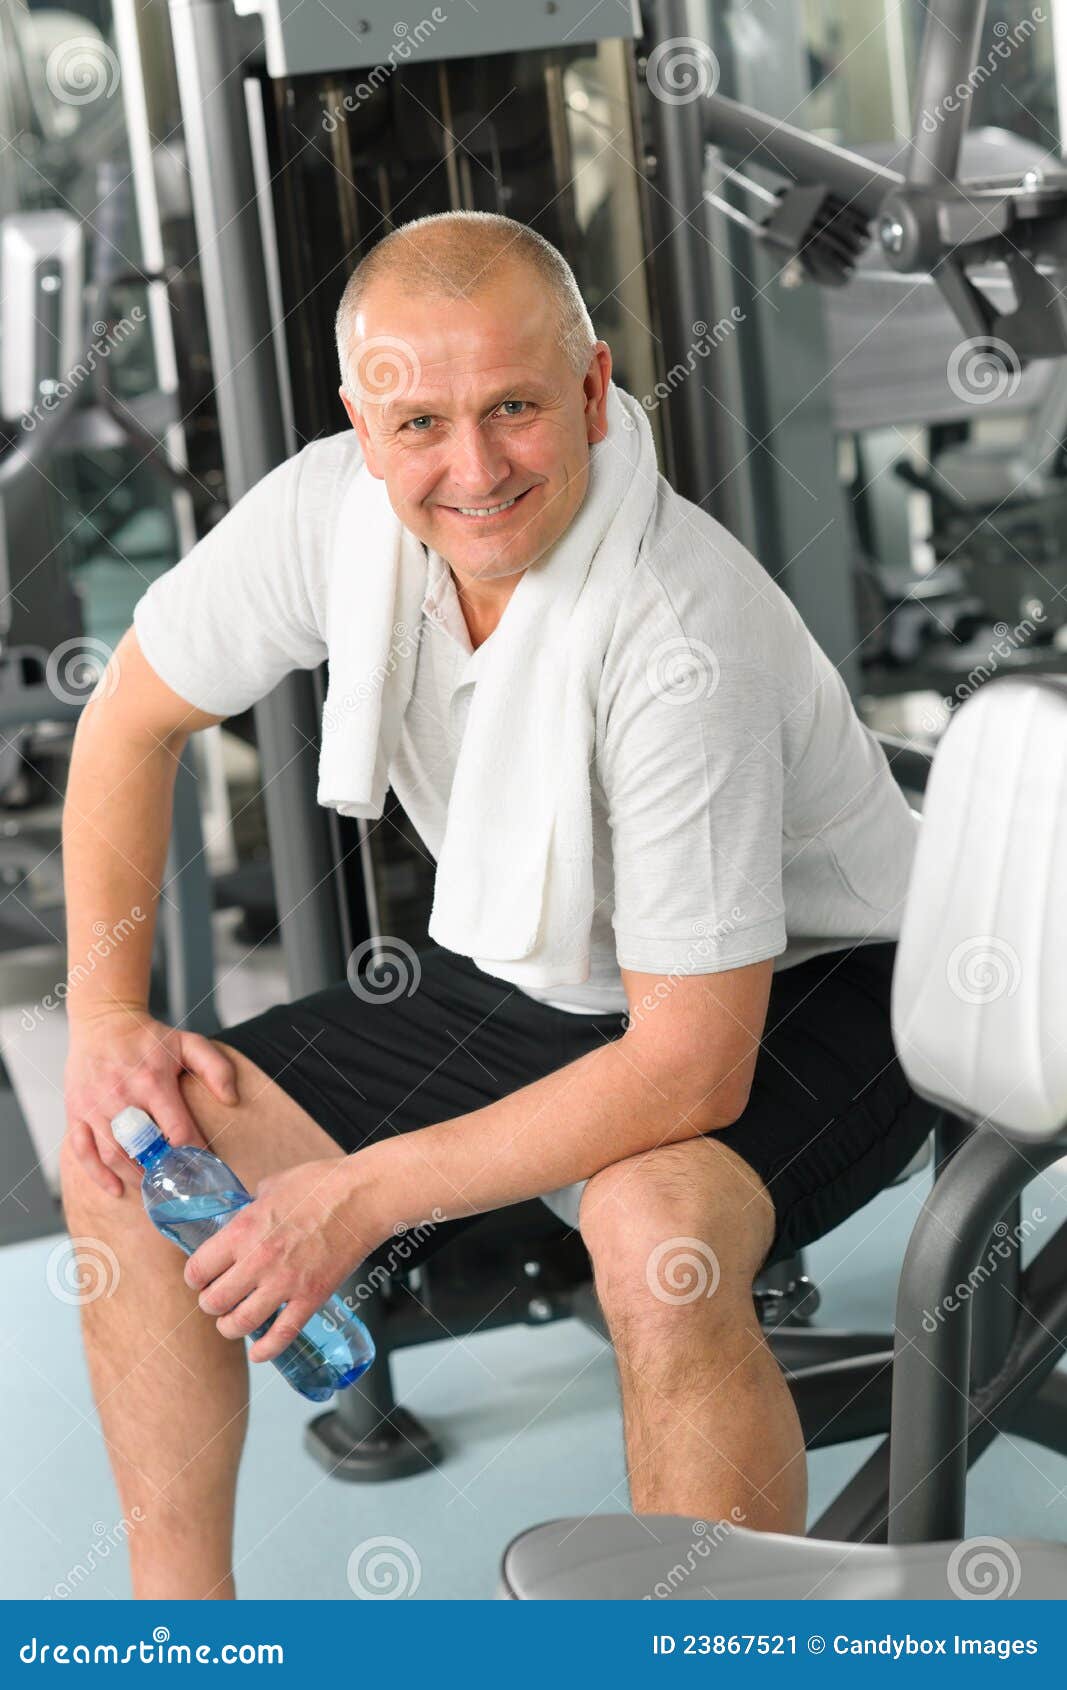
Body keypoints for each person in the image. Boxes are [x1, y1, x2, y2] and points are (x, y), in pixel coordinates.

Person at [60, 211, 938, 1600]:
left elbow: (687, 1065)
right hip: (546, 966)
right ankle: (188, 1632)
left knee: (658, 1241)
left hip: (829, 986)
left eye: (517, 408)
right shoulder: (324, 521)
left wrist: (352, 1197)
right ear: (360, 422)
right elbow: (128, 721)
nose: (473, 470)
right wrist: (105, 1016)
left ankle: (729, 1640)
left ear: (592, 389)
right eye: (420, 424)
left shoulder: (676, 635)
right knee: (128, 1145)